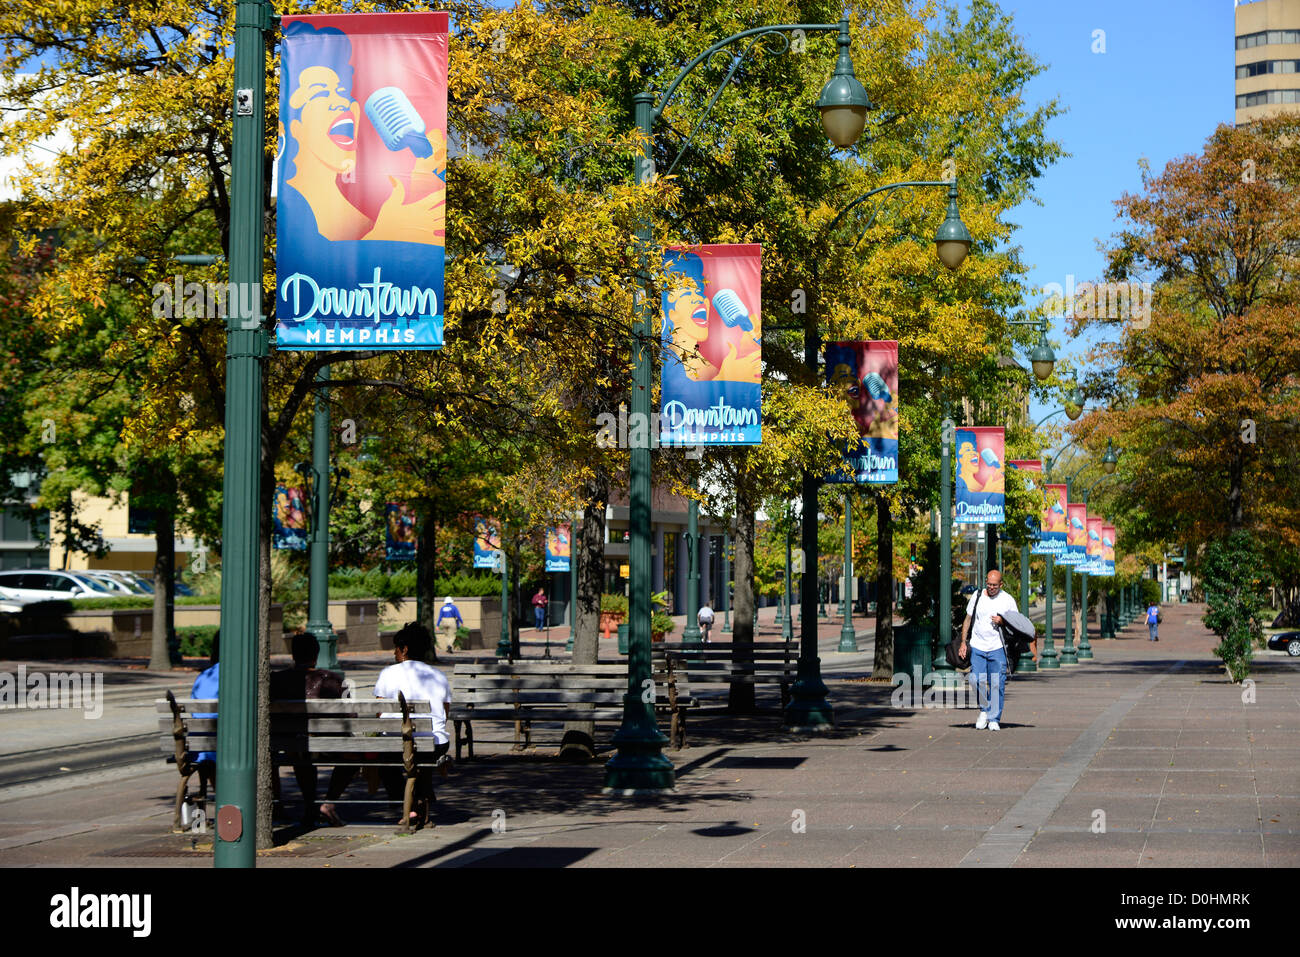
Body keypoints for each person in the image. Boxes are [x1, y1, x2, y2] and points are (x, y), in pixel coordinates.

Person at [371, 623, 451, 827]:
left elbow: (379, 712)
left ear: (404, 649)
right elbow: (444, 714)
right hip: (433, 744)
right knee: (422, 752)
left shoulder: (388, 673)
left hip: (394, 744)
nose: (394, 652)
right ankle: (420, 801)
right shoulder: (439, 675)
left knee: (387, 756)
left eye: (396, 647)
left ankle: (408, 803)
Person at [271, 632, 348, 827]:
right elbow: (348, 717)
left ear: (293, 654)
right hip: (325, 747)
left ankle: (298, 807)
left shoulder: (277, 679)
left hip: (288, 745)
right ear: (317, 653)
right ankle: (328, 803)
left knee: (298, 751)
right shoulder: (333, 678)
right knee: (353, 755)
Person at [958, 570, 1019, 731]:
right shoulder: (977, 596)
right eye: (989, 584)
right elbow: (968, 620)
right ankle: (984, 710)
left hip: (997, 647)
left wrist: (1003, 621)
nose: (991, 587)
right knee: (975, 679)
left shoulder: (1007, 600)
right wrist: (963, 642)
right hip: (978, 645)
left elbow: (1017, 623)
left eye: (995, 585)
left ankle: (994, 718)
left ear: (1001, 584)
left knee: (997, 683)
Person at [190, 632, 220, 792]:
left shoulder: (203, 677)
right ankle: (277, 806)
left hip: (199, 747)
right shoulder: (241, 675)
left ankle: (220, 793)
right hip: (226, 745)